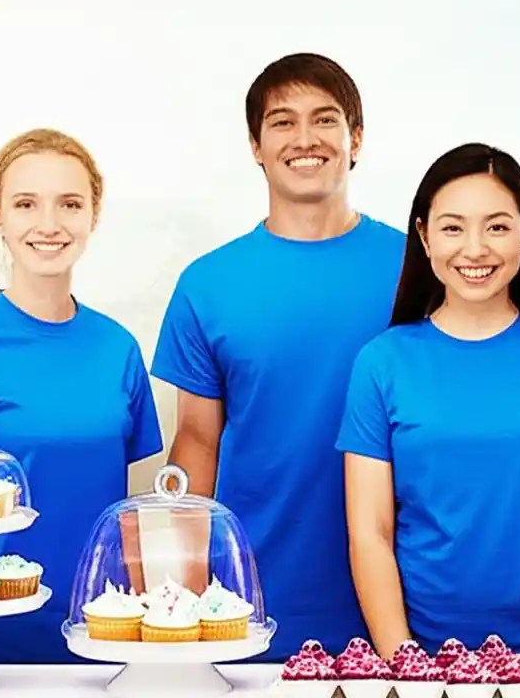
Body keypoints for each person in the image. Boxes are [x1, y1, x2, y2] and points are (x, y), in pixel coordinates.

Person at [150, 52, 404, 658]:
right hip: (248, 590)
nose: (305, 139)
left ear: (356, 139)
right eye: (283, 122)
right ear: (256, 146)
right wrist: (181, 593)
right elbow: (196, 441)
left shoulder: (417, 270)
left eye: (325, 119)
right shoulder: (208, 284)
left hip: (404, 593)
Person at [339, 143, 520, 659]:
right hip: (418, 656)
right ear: (424, 237)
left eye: (496, 227)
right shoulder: (381, 363)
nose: (475, 249)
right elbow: (370, 533)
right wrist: (404, 664)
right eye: (452, 228)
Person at [0, 128, 163, 663]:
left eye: (69, 204)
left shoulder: (117, 349)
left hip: (101, 622)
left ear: (93, 215)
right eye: (27, 204)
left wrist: (147, 629)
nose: (49, 224)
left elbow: (133, 513)